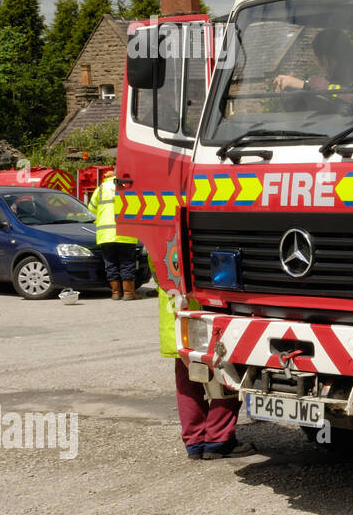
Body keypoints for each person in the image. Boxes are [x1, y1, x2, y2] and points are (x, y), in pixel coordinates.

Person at [159, 284, 255, 459]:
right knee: (231, 371)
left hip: (176, 316)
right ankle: (218, 437)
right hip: (207, 310)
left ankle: (194, 441)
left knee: (187, 380)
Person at [88, 168, 141, 300]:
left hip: (106, 233)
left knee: (110, 263)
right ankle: (129, 293)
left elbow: (91, 209)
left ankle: (115, 293)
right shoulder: (129, 186)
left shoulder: (101, 188)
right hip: (126, 232)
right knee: (127, 262)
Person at [272, 27, 353, 94]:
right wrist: (290, 92)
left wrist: (304, 85)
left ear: (325, 60)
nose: (318, 65)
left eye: (317, 60)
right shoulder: (335, 80)